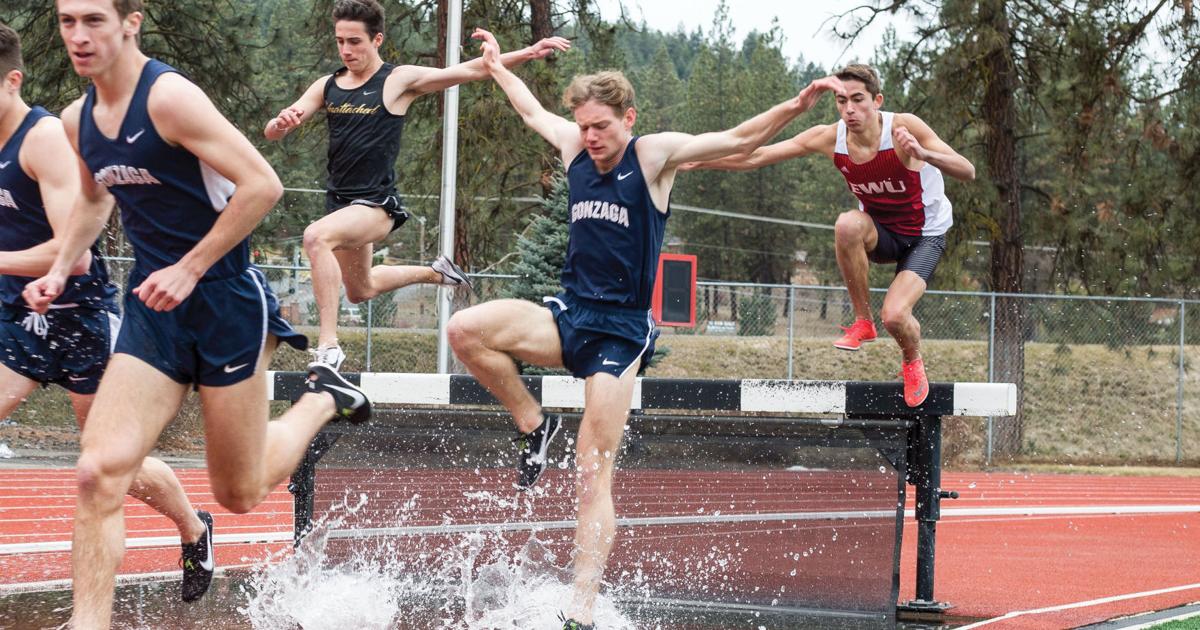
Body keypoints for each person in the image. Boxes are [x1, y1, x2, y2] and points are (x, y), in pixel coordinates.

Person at [447, 28, 845, 629]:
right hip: (569, 315)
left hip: (621, 332)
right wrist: (499, 65)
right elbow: (530, 109)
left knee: (591, 468)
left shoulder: (652, 155)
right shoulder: (574, 150)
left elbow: (736, 139)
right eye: (583, 125)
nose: (590, 137)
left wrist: (796, 105)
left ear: (628, 118)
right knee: (464, 330)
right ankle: (534, 423)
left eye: (601, 126)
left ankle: (579, 609)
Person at [27, 2, 370, 626]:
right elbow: (92, 200)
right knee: (97, 472)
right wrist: (59, 266)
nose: (78, 36)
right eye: (67, 21)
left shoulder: (169, 99)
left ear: (130, 22)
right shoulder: (79, 121)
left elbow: (262, 184)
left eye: (94, 21)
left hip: (224, 303)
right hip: (153, 312)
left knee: (238, 494)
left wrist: (190, 266)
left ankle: (323, 396)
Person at [0, 20, 215, 604]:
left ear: (12, 80)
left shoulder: (42, 138)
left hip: (76, 312)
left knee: (108, 459)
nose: (77, 32)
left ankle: (194, 526)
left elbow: (71, 251)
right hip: (14, 311)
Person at [264, 0, 570, 370]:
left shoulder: (397, 81)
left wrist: (528, 52)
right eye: (340, 41)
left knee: (315, 237)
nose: (346, 50)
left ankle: (328, 345)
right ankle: (437, 272)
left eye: (355, 42)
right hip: (340, 206)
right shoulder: (328, 85)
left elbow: (470, 71)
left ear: (377, 39)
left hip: (375, 206)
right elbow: (273, 132)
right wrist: (281, 123)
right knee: (361, 290)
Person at [684, 63, 976, 408]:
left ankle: (912, 360)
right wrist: (696, 161)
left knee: (896, 315)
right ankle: (862, 322)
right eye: (841, 101)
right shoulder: (830, 137)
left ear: (877, 100)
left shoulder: (903, 128)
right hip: (881, 234)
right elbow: (758, 156)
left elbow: (967, 170)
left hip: (924, 236)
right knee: (847, 224)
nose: (849, 109)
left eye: (858, 100)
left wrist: (923, 154)